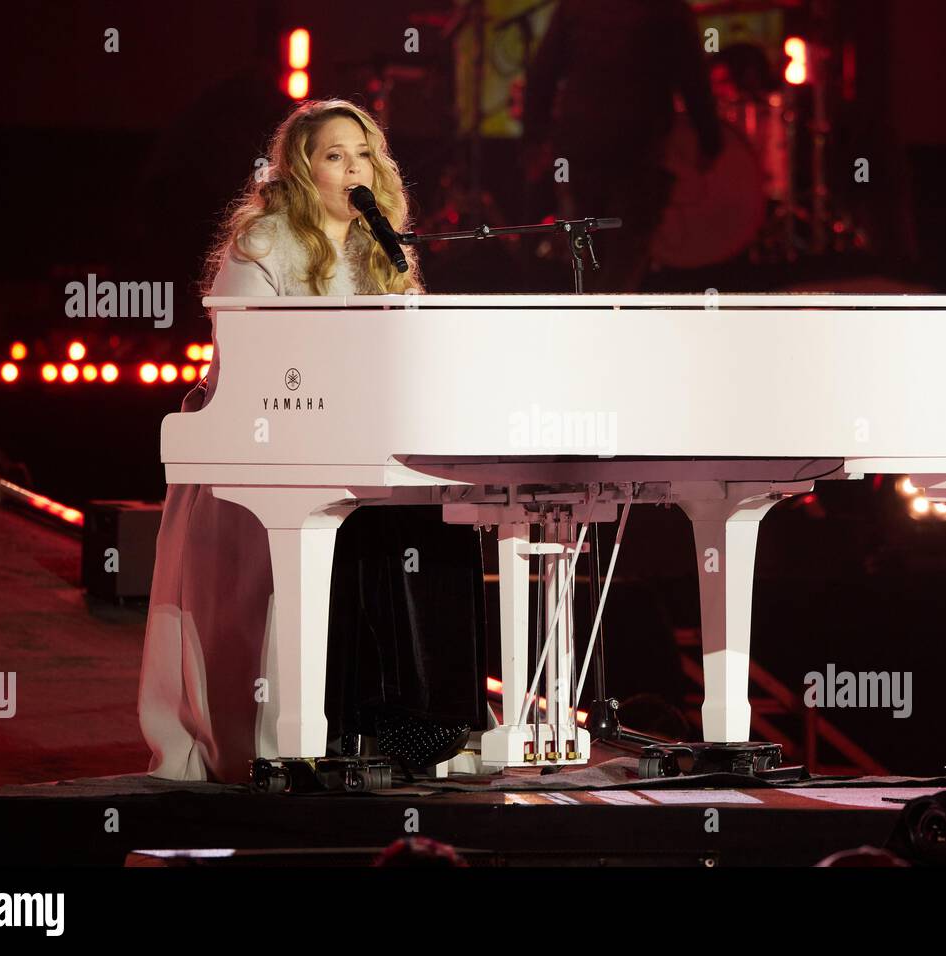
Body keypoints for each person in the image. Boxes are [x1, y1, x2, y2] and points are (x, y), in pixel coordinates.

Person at [138, 98, 485, 783]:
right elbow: (246, 371)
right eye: (334, 155)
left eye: (362, 154)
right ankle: (320, 729)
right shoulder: (262, 244)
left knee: (446, 515)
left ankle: (420, 723)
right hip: (267, 449)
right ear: (299, 169)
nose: (353, 168)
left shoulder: (382, 251)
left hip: (360, 451)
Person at [522, 0, 723, 292]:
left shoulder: (576, 6)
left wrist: (534, 139)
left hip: (580, 141)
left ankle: (593, 320)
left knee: (589, 251)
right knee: (626, 255)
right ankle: (610, 321)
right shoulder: (667, 8)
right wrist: (710, 141)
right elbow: (693, 77)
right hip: (637, 142)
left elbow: (543, 73)